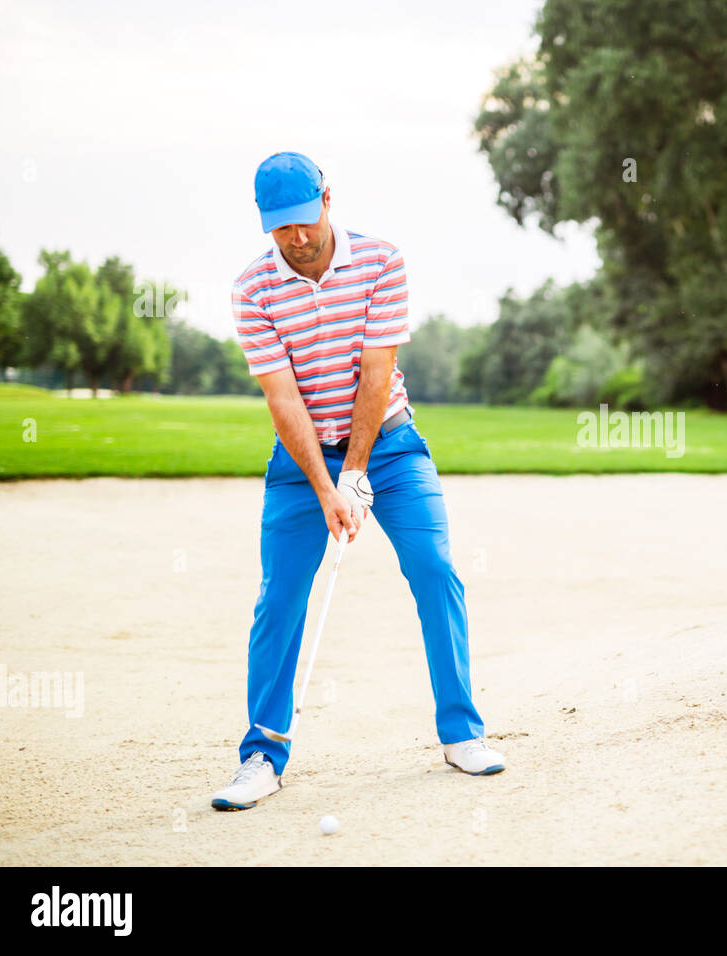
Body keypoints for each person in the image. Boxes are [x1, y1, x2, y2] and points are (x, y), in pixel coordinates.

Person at [210, 151, 504, 810]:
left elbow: (376, 373)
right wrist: (325, 487)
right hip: (302, 461)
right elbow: (285, 401)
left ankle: (461, 734)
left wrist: (357, 471)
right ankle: (262, 754)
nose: (297, 237)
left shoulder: (381, 261)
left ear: (327, 200)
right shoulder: (251, 289)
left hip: (391, 448)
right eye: (280, 227)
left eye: (304, 220)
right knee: (279, 597)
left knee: (435, 569)